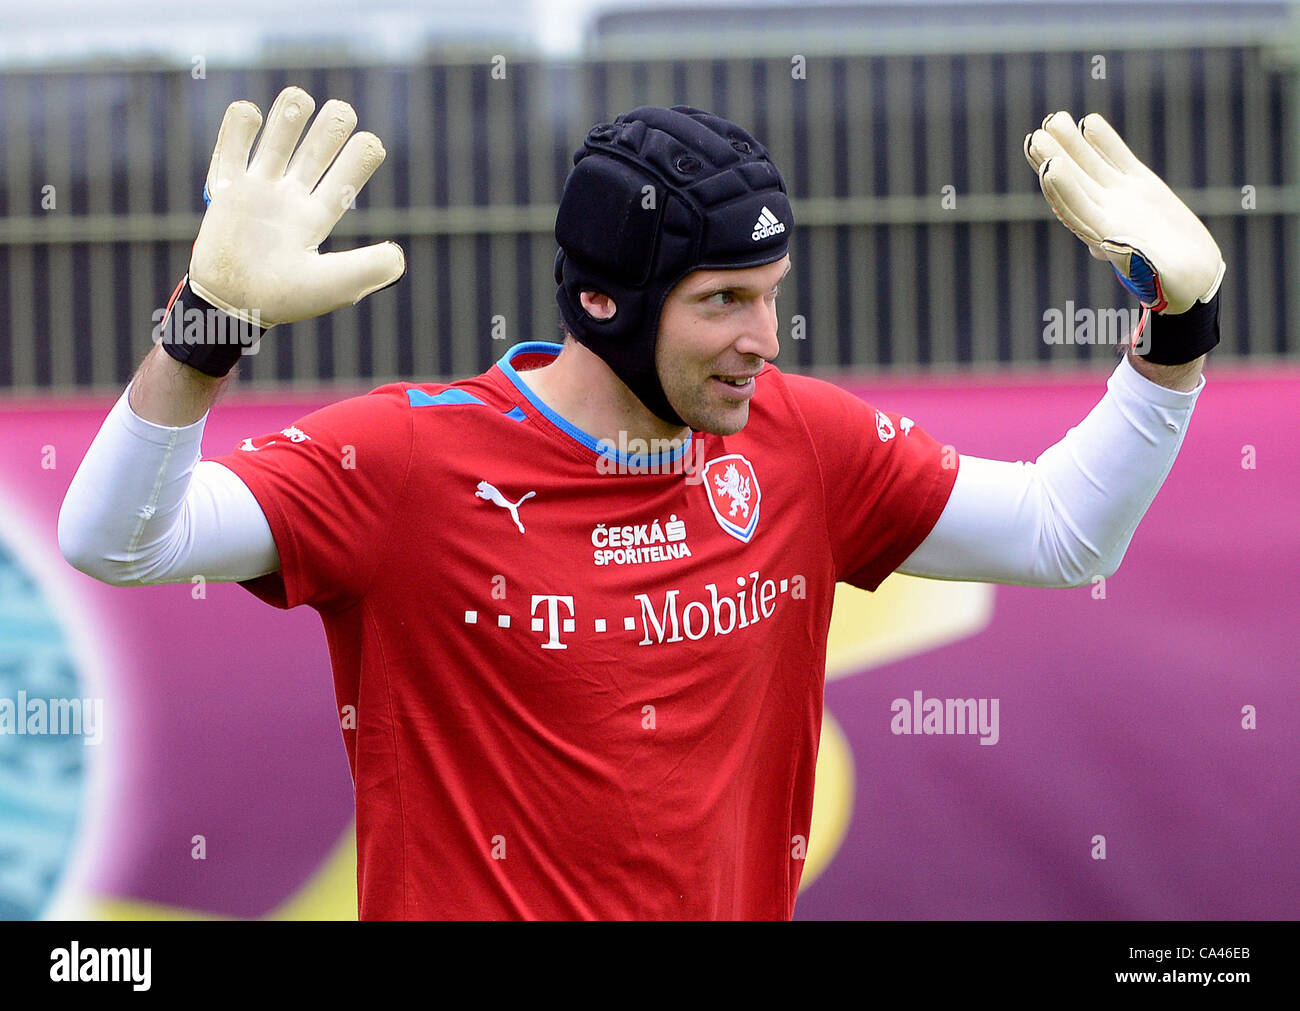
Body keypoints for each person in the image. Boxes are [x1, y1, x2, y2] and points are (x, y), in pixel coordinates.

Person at [58, 87, 1224, 920]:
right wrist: (206, 329)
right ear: (608, 303)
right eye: (721, 300)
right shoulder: (408, 462)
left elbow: (1066, 534)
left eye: (771, 296)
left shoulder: (804, 443)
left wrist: (1177, 333)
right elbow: (115, 541)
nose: (762, 341)